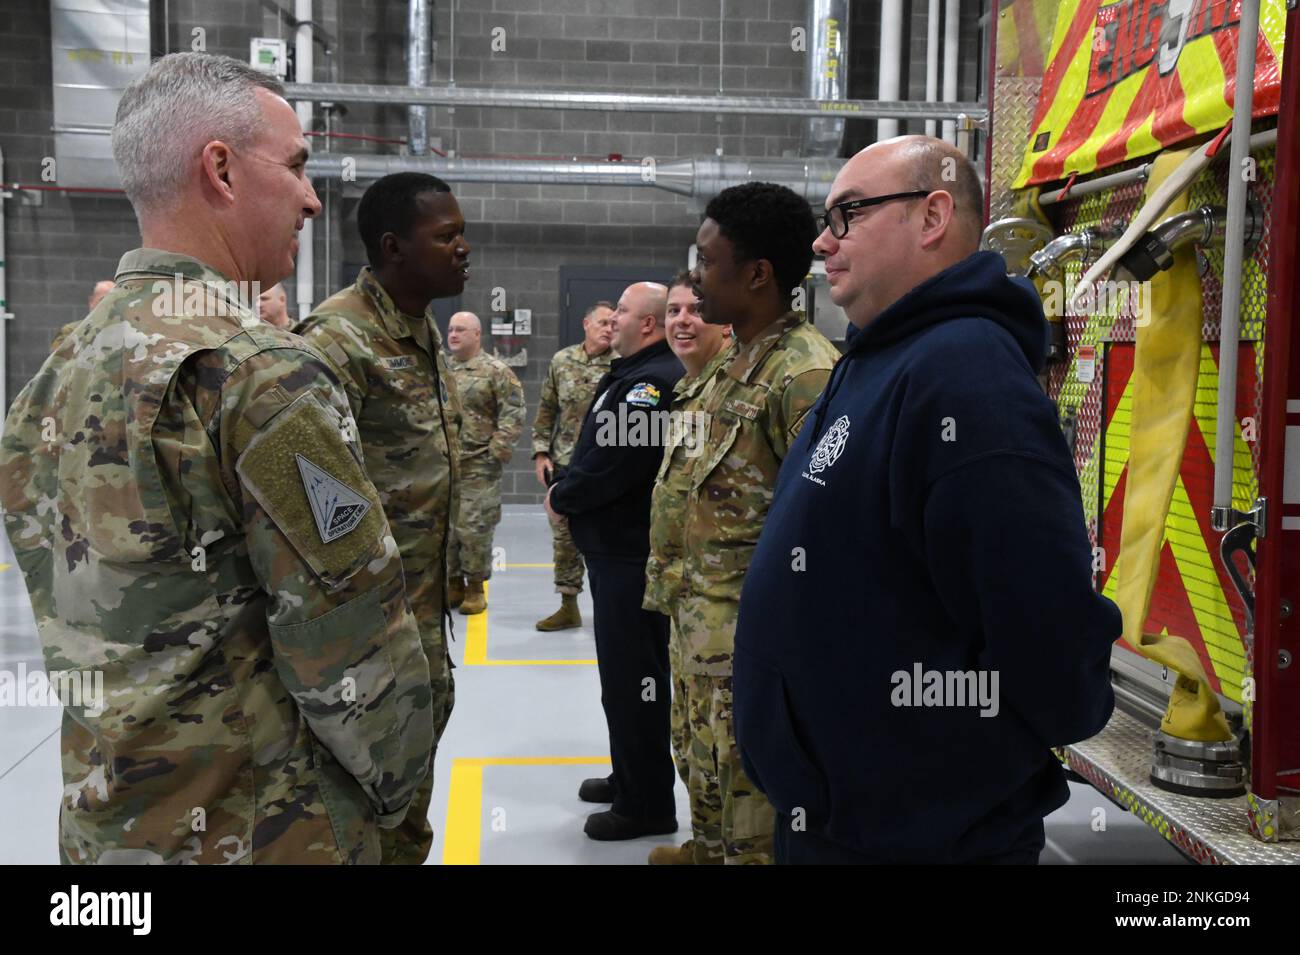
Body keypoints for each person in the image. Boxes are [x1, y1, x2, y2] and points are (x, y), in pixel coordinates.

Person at [0, 52, 434, 864]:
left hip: (110, 833)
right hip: (264, 827)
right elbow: (350, 636)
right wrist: (398, 793)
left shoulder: (58, 370)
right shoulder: (257, 371)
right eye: (298, 166)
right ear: (222, 171)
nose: (311, 197)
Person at [734, 135, 1120, 864]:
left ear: (933, 215)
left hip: (921, 836)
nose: (823, 239)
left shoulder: (966, 376)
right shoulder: (880, 356)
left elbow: (1043, 623)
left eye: (848, 213)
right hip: (843, 820)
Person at [295, 171, 467, 865]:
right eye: (447, 236)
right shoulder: (337, 341)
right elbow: (311, 512)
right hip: (366, 639)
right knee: (364, 818)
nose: (463, 248)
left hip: (420, 618)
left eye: (464, 234)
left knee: (407, 813)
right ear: (394, 247)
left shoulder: (417, 330)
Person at [678, 181, 840, 865]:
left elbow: (824, 530)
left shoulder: (803, 373)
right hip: (701, 632)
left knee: (753, 822)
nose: (696, 275)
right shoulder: (735, 360)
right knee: (706, 780)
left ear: (756, 274)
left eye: (708, 261)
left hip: (751, 645)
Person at [544, 282, 683, 840]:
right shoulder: (630, 371)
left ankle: (647, 803)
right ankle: (630, 777)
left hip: (631, 554)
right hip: (616, 552)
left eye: (621, 311)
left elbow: (615, 464)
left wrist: (564, 496)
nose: (611, 319)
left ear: (645, 324)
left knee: (635, 680)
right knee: (623, 680)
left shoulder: (651, 382)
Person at [642, 272, 731, 865]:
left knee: (730, 754)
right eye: (673, 310)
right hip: (687, 602)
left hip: (729, 613)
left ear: (727, 319)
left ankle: (728, 850)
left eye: (696, 309)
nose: (682, 321)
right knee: (692, 742)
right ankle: (705, 845)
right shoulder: (692, 391)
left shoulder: (743, 388)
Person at [530, 301, 614, 630]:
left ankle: (610, 607)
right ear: (586, 323)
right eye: (603, 323)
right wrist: (540, 452)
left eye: (613, 323)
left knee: (605, 537)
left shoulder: (620, 365)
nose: (609, 328)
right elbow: (547, 409)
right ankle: (568, 605)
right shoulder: (561, 361)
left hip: (602, 466)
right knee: (564, 538)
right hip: (565, 462)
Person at [445, 310, 526, 615]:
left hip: (480, 464)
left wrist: (497, 450)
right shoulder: (441, 368)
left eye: (461, 330)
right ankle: (452, 583)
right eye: (451, 329)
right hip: (446, 463)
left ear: (477, 335)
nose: (453, 334)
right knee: (448, 527)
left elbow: (513, 412)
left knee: (474, 528)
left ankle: (475, 586)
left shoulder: (496, 371)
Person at [50, 280, 115, 351]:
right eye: (104, 300)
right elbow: (58, 360)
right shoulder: (70, 332)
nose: (109, 305)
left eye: (114, 301)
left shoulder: (125, 331)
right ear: (91, 301)